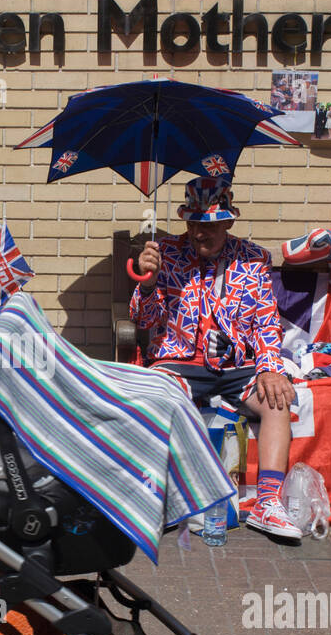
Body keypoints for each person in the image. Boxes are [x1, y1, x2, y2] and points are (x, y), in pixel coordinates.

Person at [129, 174, 302, 540]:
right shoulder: (165, 253)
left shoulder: (254, 258)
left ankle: (267, 504)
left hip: (236, 366)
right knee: (161, 397)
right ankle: (159, 500)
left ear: (228, 221)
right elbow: (143, 320)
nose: (198, 233)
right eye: (192, 223)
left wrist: (271, 368)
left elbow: (266, 323)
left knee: (276, 402)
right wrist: (146, 283)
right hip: (177, 363)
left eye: (207, 225)